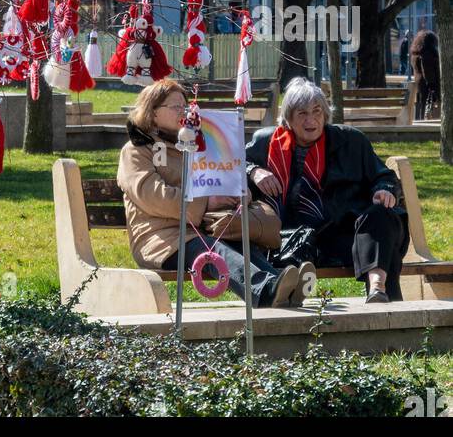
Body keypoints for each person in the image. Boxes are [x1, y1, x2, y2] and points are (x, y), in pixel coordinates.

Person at [117, 78, 312, 308]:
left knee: (239, 244)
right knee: (214, 250)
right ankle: (266, 291)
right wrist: (206, 202)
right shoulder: (136, 151)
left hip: (206, 228)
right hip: (162, 238)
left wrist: (237, 194)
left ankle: (283, 287)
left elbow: (227, 177)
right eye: (175, 107)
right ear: (153, 112)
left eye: (185, 106)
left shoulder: (197, 146)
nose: (184, 112)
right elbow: (154, 197)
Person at [247, 77, 407, 302]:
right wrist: (253, 170)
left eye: (317, 111)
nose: (311, 120)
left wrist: (384, 190)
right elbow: (233, 165)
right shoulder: (266, 142)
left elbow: (383, 175)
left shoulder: (351, 141)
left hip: (346, 235)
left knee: (380, 216)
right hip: (292, 239)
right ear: (288, 118)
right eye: (302, 113)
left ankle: (377, 291)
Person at [410, 30, 440, 121]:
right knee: (427, 109)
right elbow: (428, 72)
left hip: (420, 85)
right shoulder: (428, 55)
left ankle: (419, 120)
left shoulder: (415, 55)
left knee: (421, 106)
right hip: (430, 86)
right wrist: (433, 87)